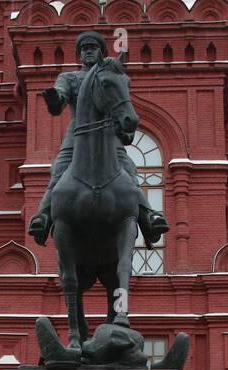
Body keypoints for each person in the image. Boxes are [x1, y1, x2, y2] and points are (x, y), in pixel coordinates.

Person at [28, 31, 169, 250]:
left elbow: (122, 105)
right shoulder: (71, 77)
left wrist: (125, 128)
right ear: (79, 55)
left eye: (93, 48)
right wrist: (55, 97)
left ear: (101, 53)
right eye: (84, 49)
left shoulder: (111, 75)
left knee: (129, 170)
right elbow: (60, 98)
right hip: (77, 137)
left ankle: (148, 217)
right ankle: (43, 218)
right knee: (59, 170)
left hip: (109, 138)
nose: (88, 52)